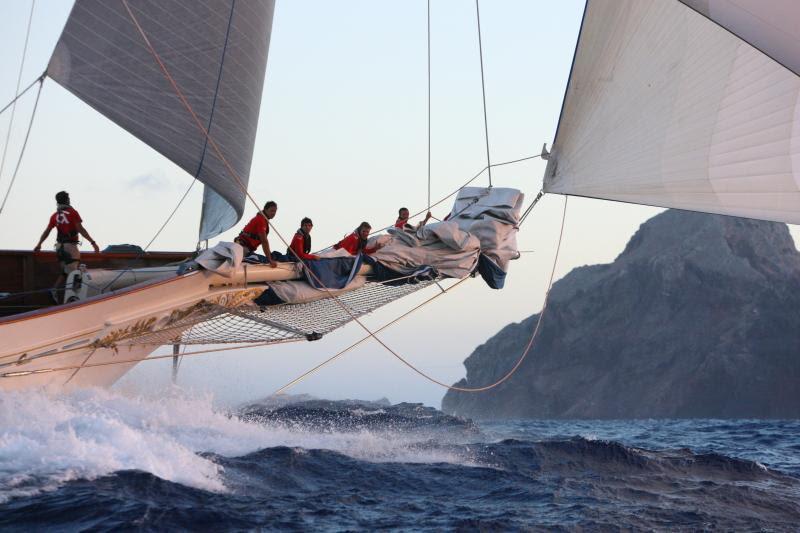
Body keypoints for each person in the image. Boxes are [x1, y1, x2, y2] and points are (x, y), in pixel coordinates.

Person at [34, 191, 100, 302]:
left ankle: (55, 290)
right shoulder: (73, 213)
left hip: (59, 247)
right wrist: (93, 243)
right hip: (70, 247)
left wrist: (39, 244)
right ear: (67, 200)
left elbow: (47, 231)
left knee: (66, 271)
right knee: (73, 273)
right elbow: (80, 229)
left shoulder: (54, 216)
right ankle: (72, 298)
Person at [235, 200, 278, 268]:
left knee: (272, 256)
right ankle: (244, 259)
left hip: (244, 248)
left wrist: (270, 256)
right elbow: (264, 241)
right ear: (265, 210)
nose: (273, 213)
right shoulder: (261, 220)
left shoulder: (262, 219)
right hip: (243, 248)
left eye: (275, 211)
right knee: (262, 260)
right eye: (271, 210)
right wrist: (270, 260)